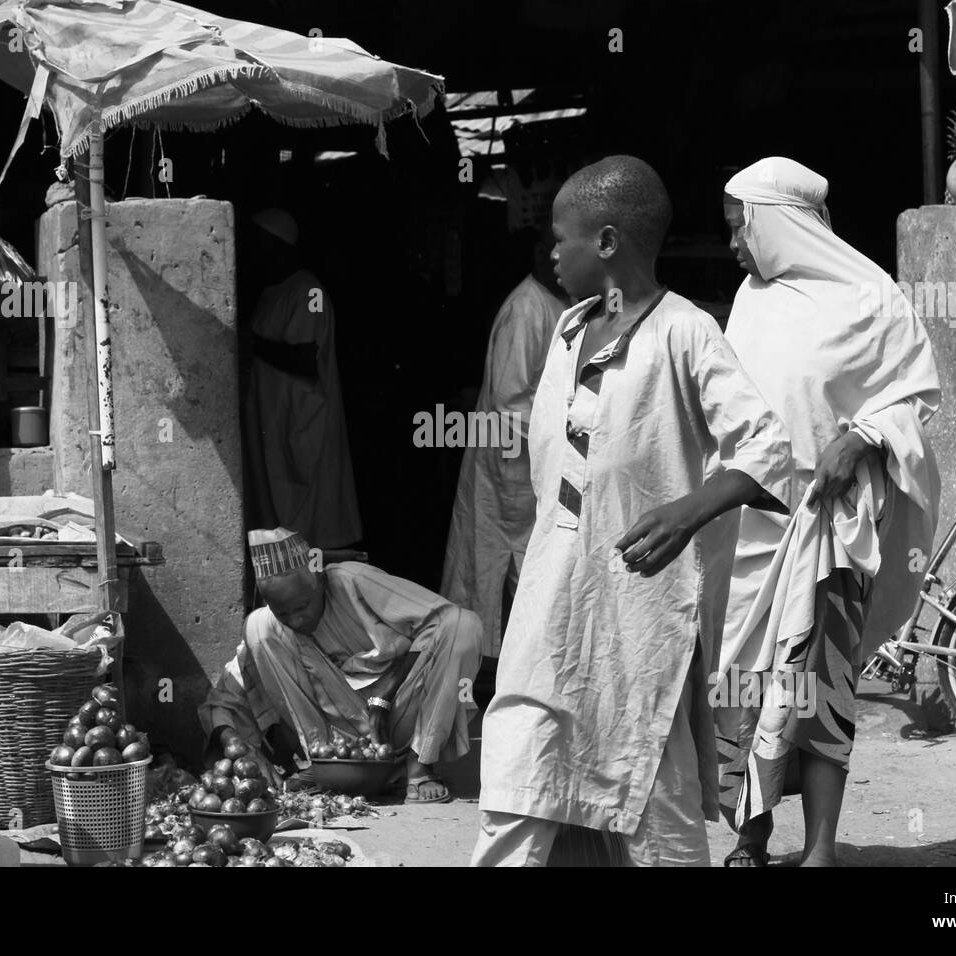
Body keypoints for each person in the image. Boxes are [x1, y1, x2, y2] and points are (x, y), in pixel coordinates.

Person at [470, 156, 793, 867]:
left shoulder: (685, 331)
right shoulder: (567, 330)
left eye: (563, 239)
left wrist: (687, 513)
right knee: (520, 781)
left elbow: (768, 447)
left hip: (640, 620)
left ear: (608, 242)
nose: (553, 253)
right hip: (551, 610)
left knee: (647, 797)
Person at [714, 157, 941, 867]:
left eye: (741, 227)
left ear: (778, 223)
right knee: (743, 688)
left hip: (829, 531)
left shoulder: (872, 298)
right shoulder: (750, 299)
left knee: (819, 692)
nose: (734, 244)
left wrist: (863, 437)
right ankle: (751, 838)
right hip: (750, 530)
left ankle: (820, 851)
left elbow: (914, 397)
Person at [199, 527, 484, 803]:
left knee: (464, 625)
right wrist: (241, 748)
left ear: (320, 580)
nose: (296, 620)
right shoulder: (268, 629)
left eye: (303, 606)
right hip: (342, 740)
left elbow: (443, 621)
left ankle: (420, 764)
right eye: (283, 613)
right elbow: (223, 700)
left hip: (400, 715)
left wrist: (384, 696)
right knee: (257, 625)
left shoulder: (354, 581)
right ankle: (324, 763)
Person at [440, 229, 568, 655]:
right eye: (554, 248)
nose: (560, 257)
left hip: (532, 459)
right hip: (511, 461)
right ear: (539, 253)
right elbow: (510, 400)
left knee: (523, 559)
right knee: (502, 558)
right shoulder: (525, 309)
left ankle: (518, 653)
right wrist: (568, 435)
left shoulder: (558, 301)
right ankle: (490, 660)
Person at [242, 209, 362, 549]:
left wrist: (252, 344)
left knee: (308, 518)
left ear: (280, 248)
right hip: (275, 423)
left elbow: (304, 358)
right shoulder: (271, 292)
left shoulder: (309, 291)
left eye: (261, 245)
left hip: (304, 421)